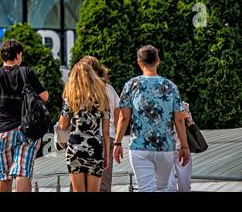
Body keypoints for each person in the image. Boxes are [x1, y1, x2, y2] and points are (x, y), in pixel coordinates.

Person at [116, 45, 188, 192]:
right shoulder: (171, 86)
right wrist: (185, 147)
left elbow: (124, 118)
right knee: (163, 188)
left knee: (146, 189)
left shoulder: (131, 85)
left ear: (139, 62)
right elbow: (179, 120)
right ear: (158, 61)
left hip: (139, 146)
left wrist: (117, 143)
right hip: (165, 147)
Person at [0, 39, 48, 192]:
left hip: (2, 132)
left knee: (4, 177)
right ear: (17, 55)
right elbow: (44, 97)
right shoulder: (26, 72)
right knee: (22, 173)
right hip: (26, 130)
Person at [59, 57, 110, 192]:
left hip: (75, 149)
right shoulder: (102, 97)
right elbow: (105, 131)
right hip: (95, 149)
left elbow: (63, 125)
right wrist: (106, 155)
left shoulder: (70, 98)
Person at [81, 55, 120, 192]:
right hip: (106, 137)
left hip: (81, 138)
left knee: (80, 184)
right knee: (103, 182)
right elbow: (118, 115)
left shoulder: (78, 90)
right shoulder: (108, 89)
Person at [169, 102, 195, 192]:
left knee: (185, 185)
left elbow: (192, 126)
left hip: (181, 148)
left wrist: (188, 119)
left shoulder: (184, 105)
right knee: (168, 186)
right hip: (166, 149)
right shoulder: (160, 105)